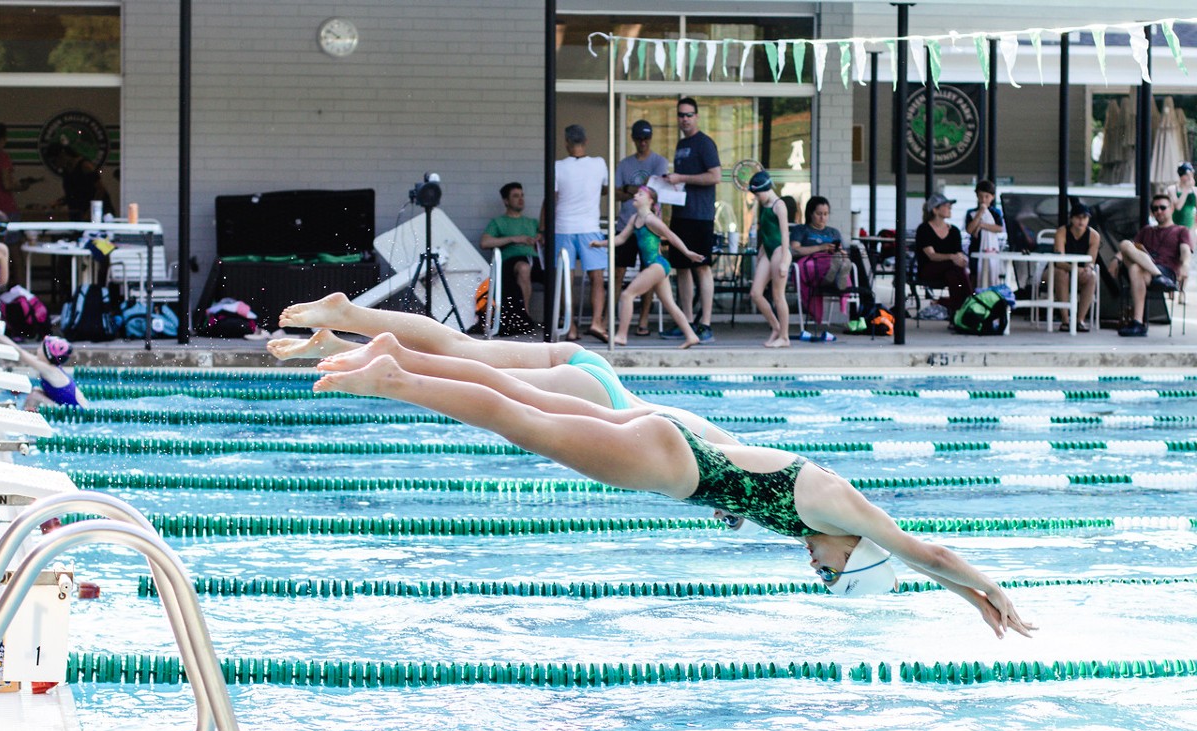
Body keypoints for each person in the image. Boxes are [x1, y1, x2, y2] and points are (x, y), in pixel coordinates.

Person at [308, 331, 1037, 639]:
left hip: (680, 442)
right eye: (832, 574)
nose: (817, 569)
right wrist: (990, 592)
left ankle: (396, 355)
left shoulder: (813, 516)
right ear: (858, 552)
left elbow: (904, 554)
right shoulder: (841, 508)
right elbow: (922, 550)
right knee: (519, 420)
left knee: (521, 399)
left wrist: (737, 509)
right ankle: (396, 376)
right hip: (675, 466)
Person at [270, 292, 732, 443]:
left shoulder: (724, 455)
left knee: (460, 346)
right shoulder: (733, 465)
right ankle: (394, 356)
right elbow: (697, 432)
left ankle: (347, 321)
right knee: (490, 383)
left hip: (584, 364)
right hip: (594, 394)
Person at [590, 187, 702, 348]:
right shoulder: (634, 218)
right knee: (669, 304)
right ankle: (691, 336)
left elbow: (671, 236)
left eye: (640, 194)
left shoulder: (651, 220)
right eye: (636, 193)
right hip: (654, 266)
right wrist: (600, 244)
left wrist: (687, 252)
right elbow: (620, 238)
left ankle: (621, 336)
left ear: (650, 201)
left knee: (627, 295)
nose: (635, 195)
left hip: (658, 264)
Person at [663, 97, 721, 344]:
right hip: (681, 214)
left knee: (702, 267)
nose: (684, 119)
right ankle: (686, 321)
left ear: (697, 116)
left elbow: (715, 176)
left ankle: (705, 323)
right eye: (681, 115)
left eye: (689, 115)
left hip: (700, 216)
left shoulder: (704, 143)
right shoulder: (681, 144)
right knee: (682, 269)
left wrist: (681, 178)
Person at [551, 125, 609, 342]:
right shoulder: (599, 164)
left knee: (567, 278)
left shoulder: (557, 166)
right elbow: (605, 188)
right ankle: (596, 322)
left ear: (567, 143)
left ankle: (571, 327)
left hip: (563, 227)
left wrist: (541, 229)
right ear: (585, 141)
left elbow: (552, 198)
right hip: (590, 228)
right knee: (597, 277)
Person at [613, 119, 669, 337]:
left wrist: (629, 188)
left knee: (649, 274)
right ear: (633, 139)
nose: (643, 142)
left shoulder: (659, 161)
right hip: (627, 222)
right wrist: (634, 189)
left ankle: (643, 320)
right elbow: (616, 193)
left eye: (646, 138)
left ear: (651, 138)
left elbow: (653, 190)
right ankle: (613, 319)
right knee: (619, 271)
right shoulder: (624, 164)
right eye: (639, 138)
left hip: (649, 228)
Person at [1115, 194, 1192, 337]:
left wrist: (1186, 264)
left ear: (1172, 208)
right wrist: (1115, 259)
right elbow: (1130, 249)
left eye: (1163, 207)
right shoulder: (1147, 230)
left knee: (1135, 268)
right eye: (1155, 208)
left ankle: (1138, 323)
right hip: (1150, 270)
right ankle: (1158, 275)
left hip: (1167, 271)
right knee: (1125, 244)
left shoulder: (1181, 230)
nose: (1159, 211)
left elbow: (1185, 250)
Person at [479, 181, 541, 320]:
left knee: (558, 273)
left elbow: (545, 239)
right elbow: (485, 242)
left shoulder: (532, 222)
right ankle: (525, 316)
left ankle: (562, 318)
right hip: (511, 263)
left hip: (534, 260)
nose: (521, 199)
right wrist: (514, 239)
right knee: (524, 267)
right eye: (516, 196)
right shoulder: (498, 222)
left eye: (522, 195)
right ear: (506, 201)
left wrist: (540, 238)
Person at [745, 171, 793, 347]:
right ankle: (776, 327)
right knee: (755, 293)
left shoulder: (779, 206)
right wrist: (760, 253)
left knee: (778, 296)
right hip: (767, 251)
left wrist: (784, 263)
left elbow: (784, 235)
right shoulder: (764, 205)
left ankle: (785, 337)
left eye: (758, 194)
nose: (757, 198)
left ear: (766, 189)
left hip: (780, 251)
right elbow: (766, 232)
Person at [789, 196, 851, 329]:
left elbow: (842, 252)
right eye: (819, 214)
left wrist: (841, 253)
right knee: (815, 266)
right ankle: (833, 276)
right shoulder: (801, 230)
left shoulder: (834, 232)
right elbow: (794, 251)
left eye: (826, 214)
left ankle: (835, 275)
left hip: (830, 259)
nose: (822, 218)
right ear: (810, 213)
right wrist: (821, 247)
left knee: (840, 262)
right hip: (809, 261)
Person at [915, 193, 973, 318]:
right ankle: (970, 301)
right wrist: (952, 257)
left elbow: (958, 253)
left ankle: (954, 307)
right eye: (946, 206)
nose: (950, 208)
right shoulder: (924, 229)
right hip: (929, 269)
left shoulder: (954, 231)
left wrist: (961, 259)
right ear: (935, 210)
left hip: (950, 270)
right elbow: (931, 255)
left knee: (953, 274)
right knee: (954, 267)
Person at [0, 334, 87, 410]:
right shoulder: (50, 366)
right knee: (36, 390)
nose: (38, 348)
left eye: (41, 346)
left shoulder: (50, 370)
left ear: (47, 354)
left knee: (34, 396)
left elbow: (21, 354)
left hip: (75, 412)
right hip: (73, 408)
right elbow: (23, 352)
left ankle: (21, 416)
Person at [1051, 202, 1100, 332]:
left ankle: (1080, 320)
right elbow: (1058, 261)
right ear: (1071, 218)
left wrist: (1087, 269)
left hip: (1080, 272)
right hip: (1059, 270)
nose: (1081, 220)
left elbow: (1091, 261)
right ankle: (1065, 320)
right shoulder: (1062, 232)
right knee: (1061, 273)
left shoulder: (1094, 236)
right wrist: (1074, 269)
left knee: (1092, 276)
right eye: (1078, 217)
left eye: (1085, 217)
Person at [44, 142, 111, 222]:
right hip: (78, 212)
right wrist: (60, 202)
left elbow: (100, 190)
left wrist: (90, 212)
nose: (56, 165)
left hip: (94, 213)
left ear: (62, 154)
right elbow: (75, 193)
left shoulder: (85, 166)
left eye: (55, 161)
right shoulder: (66, 170)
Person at [964, 180, 1004, 281]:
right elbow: (969, 230)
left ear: (992, 197)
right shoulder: (971, 213)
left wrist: (982, 225)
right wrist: (980, 213)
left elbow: (1000, 228)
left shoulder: (996, 212)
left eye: (987, 196)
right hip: (975, 247)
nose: (983, 199)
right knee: (974, 275)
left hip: (991, 248)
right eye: (980, 196)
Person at [0, 124, 37, 221]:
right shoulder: (2, 157)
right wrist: (22, 186)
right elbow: (7, 185)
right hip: (5, 208)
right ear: (1, 139)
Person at [1168, 162, 1196, 247]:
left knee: (1188, 252)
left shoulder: (1195, 190)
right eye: (1187, 175)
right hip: (1175, 226)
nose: (1190, 177)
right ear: (1181, 176)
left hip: (1190, 228)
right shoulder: (1172, 189)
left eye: (1191, 175)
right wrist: (1186, 189)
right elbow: (1178, 207)